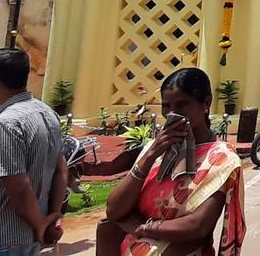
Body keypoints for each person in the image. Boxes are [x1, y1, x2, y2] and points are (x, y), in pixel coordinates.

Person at [95, 67, 245, 256]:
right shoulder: (154, 150)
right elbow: (114, 210)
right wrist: (151, 155)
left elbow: (198, 225)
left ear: (206, 103)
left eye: (182, 105)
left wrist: (142, 228)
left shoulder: (221, 159)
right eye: (166, 106)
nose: (173, 114)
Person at [0, 48, 66, 256]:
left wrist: (40, 224)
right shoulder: (47, 113)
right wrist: (52, 215)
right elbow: (61, 170)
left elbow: (17, 185)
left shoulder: (6, 123)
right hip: (29, 240)